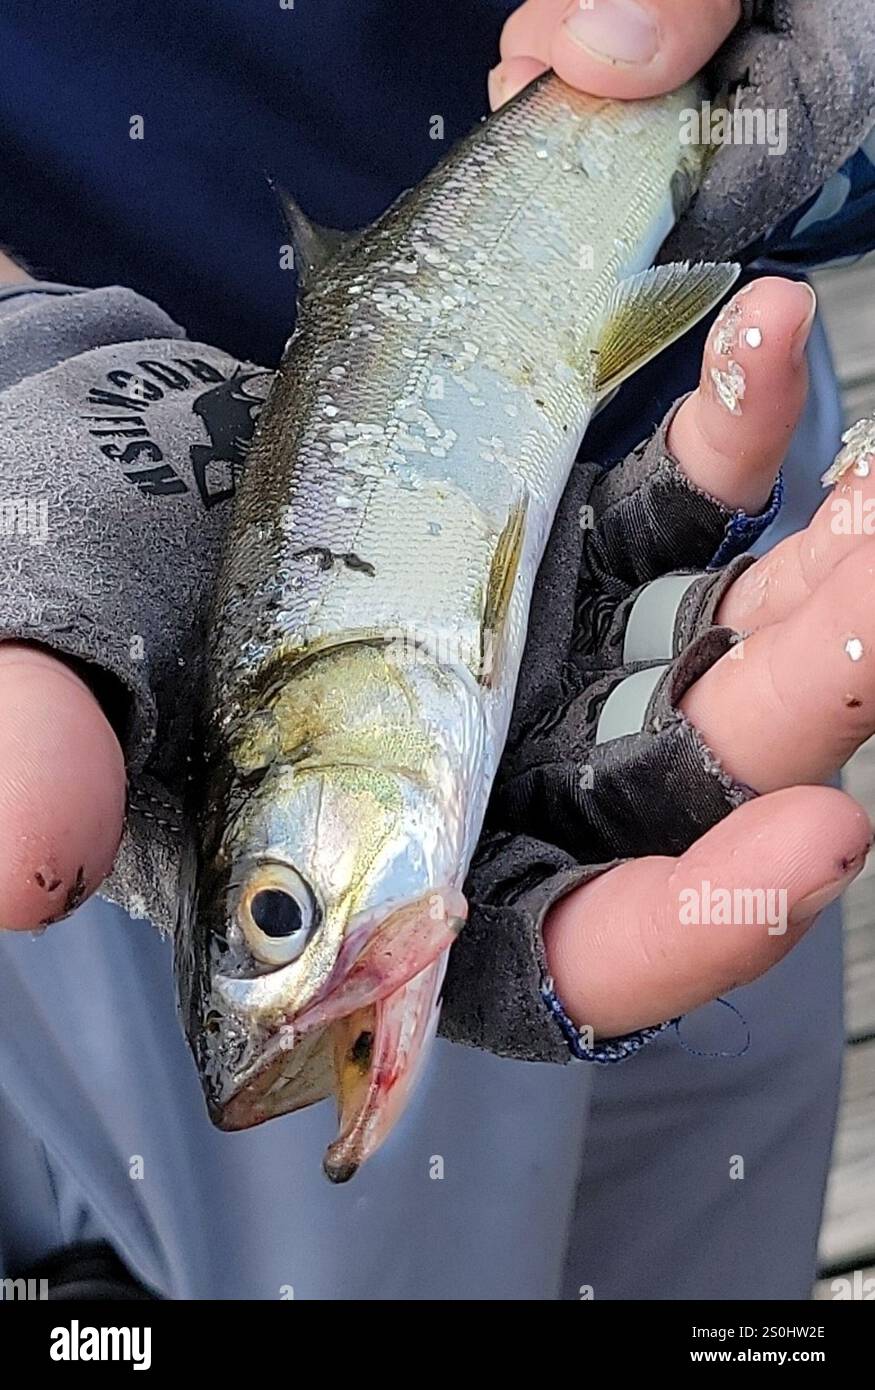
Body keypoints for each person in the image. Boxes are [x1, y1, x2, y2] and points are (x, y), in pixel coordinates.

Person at [0, 0, 873, 1299]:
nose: (308, 971)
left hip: (711, 458)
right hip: (96, 609)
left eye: (278, 912)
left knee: (716, 1184)